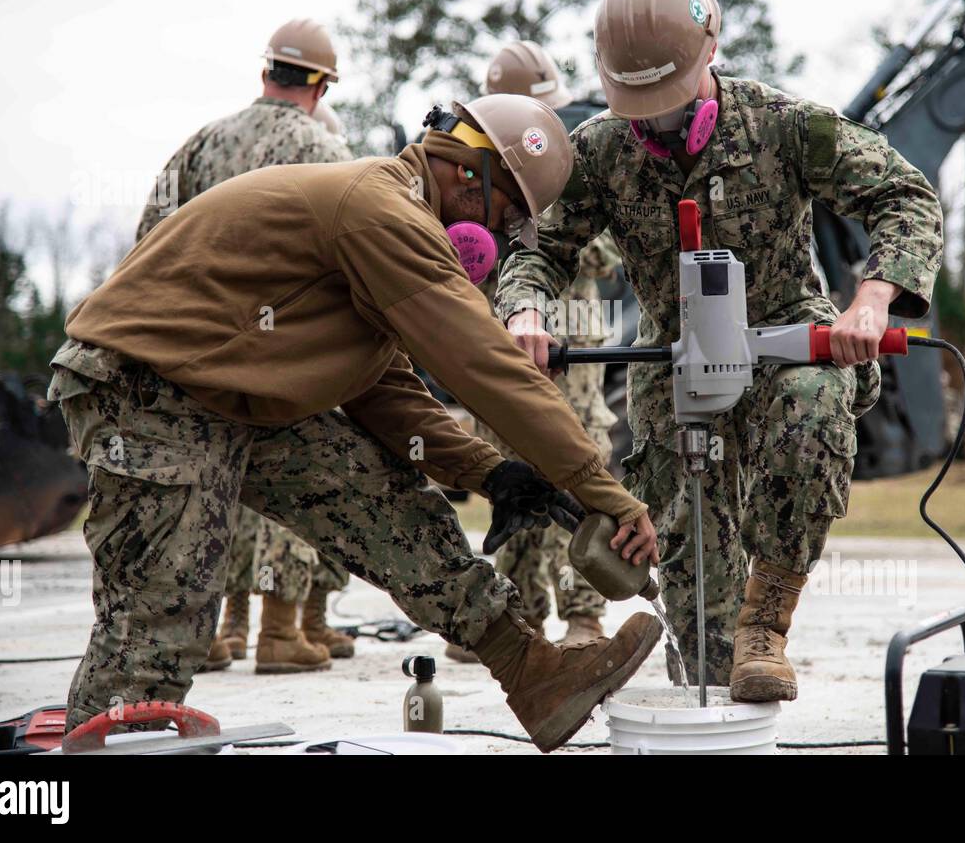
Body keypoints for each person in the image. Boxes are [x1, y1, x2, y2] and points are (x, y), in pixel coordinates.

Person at [48, 93, 661, 752]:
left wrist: (496, 474)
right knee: (163, 613)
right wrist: (606, 493)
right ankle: (99, 748)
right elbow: (490, 368)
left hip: (228, 394)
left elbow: (387, 395)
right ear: (465, 173)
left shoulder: (388, 219)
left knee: (381, 497)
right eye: (510, 216)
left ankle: (531, 670)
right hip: (146, 389)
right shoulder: (382, 211)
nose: (507, 239)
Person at [496, 0, 943, 702]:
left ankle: (767, 619)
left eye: (669, 104)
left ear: (712, 53)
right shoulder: (602, 151)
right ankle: (713, 648)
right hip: (674, 365)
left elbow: (903, 195)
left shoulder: (788, 126)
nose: (659, 124)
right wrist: (525, 311)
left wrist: (871, 299)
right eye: (641, 107)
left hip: (788, 342)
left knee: (811, 408)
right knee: (704, 656)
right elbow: (539, 246)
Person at [135, 19, 357, 674]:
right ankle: (281, 632)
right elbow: (353, 251)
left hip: (199, 347)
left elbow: (151, 235)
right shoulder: (320, 150)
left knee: (214, 484)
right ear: (320, 87)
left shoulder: (203, 142)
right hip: (285, 345)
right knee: (293, 480)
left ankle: (207, 633)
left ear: (267, 75)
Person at [446, 40, 616, 664]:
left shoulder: (574, 166)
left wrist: (541, 214)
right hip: (500, 344)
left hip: (568, 347)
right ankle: (514, 613)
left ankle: (584, 614)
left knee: (575, 473)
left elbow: (600, 255)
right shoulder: (477, 174)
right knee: (509, 478)